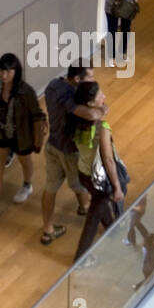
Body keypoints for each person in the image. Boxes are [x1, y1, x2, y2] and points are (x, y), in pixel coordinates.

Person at [0, 53, 45, 226]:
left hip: (21, 135)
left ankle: (27, 185)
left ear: (16, 71)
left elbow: (37, 116)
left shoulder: (26, 91)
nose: (4, 75)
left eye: (8, 71)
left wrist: (38, 139)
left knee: (24, 160)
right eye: (2, 71)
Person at [40, 64, 104, 245]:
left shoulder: (53, 85)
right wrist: (101, 110)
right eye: (89, 78)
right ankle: (86, 208)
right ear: (77, 79)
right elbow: (88, 114)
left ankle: (48, 230)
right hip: (70, 151)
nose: (93, 81)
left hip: (52, 145)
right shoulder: (70, 97)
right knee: (80, 184)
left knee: (50, 187)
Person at [69, 81, 126, 262]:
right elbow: (109, 161)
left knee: (99, 205)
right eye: (100, 96)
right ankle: (80, 258)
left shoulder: (75, 122)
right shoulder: (102, 129)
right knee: (92, 219)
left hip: (84, 173)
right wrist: (117, 186)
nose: (104, 97)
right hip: (100, 180)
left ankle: (111, 226)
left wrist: (101, 108)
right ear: (91, 104)